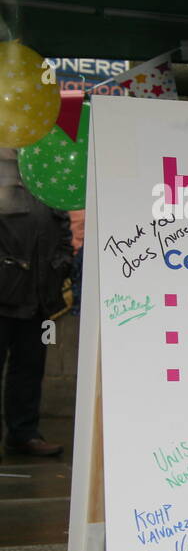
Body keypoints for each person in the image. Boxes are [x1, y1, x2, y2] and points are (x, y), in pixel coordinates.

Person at [0, 148, 70, 459]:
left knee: (31, 368)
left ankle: (24, 433)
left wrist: (63, 265)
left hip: (41, 301)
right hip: (4, 295)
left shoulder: (49, 178)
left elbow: (65, 232)